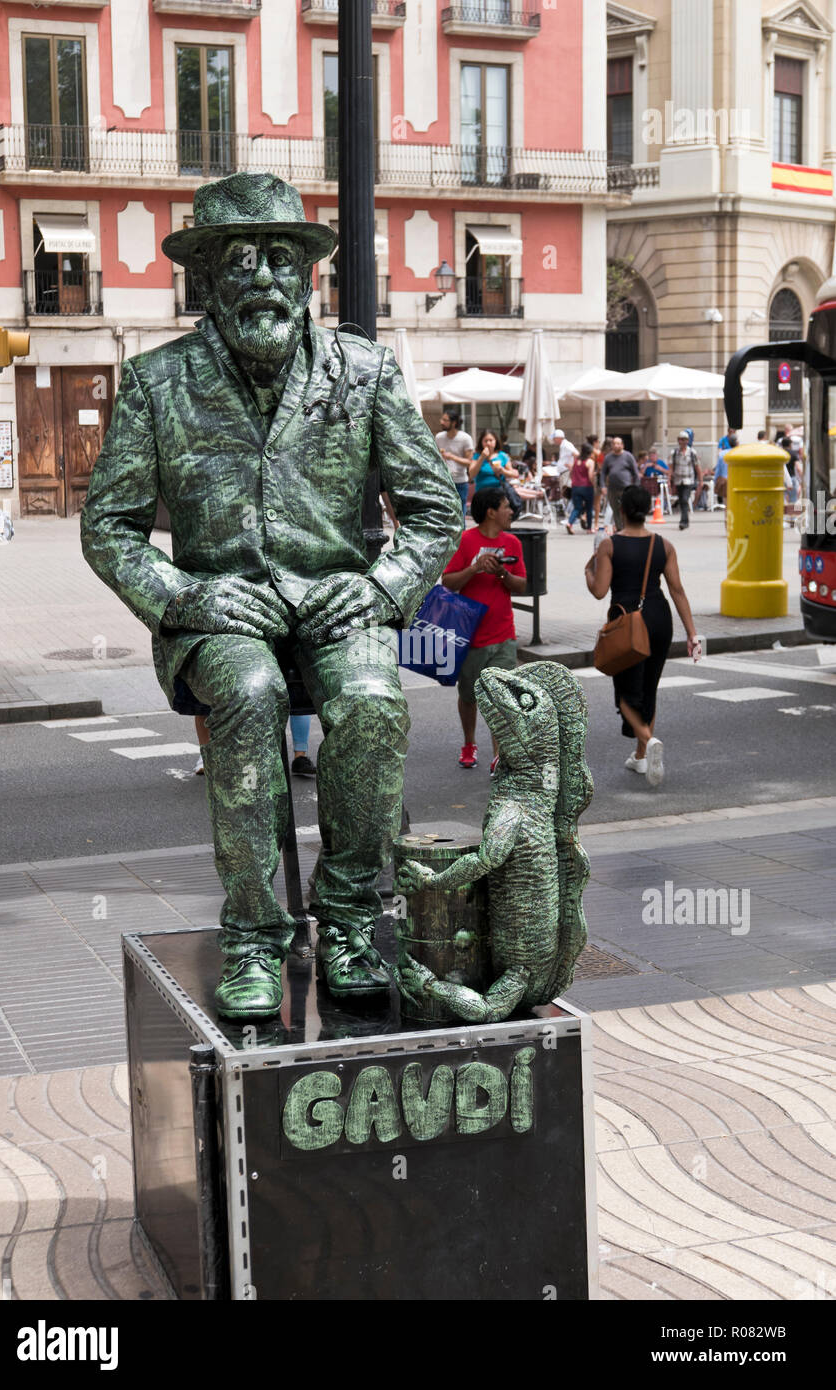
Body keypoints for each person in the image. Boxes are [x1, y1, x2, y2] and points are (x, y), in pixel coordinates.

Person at [81, 172, 461, 1020]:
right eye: (240, 259)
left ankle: (354, 918)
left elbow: (436, 510)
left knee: (370, 703)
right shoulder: (156, 382)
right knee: (250, 696)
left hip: (338, 601)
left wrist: (381, 586)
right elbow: (108, 526)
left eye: (282, 258)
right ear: (207, 279)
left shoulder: (362, 372)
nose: (263, 276)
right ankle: (254, 933)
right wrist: (184, 597)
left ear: (309, 276)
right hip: (220, 610)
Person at [584, 484, 701, 787]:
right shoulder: (664, 545)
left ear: (621, 510)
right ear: (648, 510)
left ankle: (648, 742)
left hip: (626, 621)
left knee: (625, 693)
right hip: (659, 619)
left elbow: (599, 591)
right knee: (649, 687)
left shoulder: (609, 545)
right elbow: (677, 590)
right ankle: (639, 756)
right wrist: (692, 633)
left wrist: (588, 571)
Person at [442, 487, 527, 774]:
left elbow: (522, 585)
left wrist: (503, 573)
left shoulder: (513, 542)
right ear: (491, 511)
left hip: (504, 633)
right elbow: (449, 582)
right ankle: (469, 743)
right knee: (468, 695)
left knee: (502, 698)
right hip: (470, 635)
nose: (511, 511)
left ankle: (498, 755)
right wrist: (475, 568)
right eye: (506, 507)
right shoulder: (465, 541)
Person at [435, 409, 474, 517]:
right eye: (442, 419)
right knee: (444, 515)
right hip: (443, 482)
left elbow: (469, 462)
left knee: (460, 515)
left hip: (460, 482)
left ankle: (462, 534)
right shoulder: (439, 437)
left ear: (454, 423)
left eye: (445, 420)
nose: (441, 422)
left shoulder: (465, 438)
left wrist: (452, 457)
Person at [601, 436, 640, 530]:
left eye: (618, 443)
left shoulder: (628, 456)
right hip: (612, 488)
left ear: (622, 445)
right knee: (615, 509)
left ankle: (627, 527)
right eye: (614, 444)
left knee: (626, 509)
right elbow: (603, 473)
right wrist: (602, 486)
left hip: (626, 488)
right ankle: (619, 528)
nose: (616, 445)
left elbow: (635, 473)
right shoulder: (608, 457)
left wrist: (636, 487)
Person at [668, 430, 700, 530]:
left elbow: (697, 467)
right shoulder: (674, 453)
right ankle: (685, 520)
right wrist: (669, 480)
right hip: (678, 480)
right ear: (678, 440)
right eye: (681, 439)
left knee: (685, 499)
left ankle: (684, 522)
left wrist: (701, 480)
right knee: (682, 500)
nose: (683, 442)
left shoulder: (692, 452)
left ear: (688, 441)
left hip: (688, 480)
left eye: (685, 440)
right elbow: (671, 467)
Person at [566, 441, 596, 533]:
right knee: (589, 508)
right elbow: (590, 476)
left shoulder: (576, 461)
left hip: (575, 487)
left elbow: (571, 473)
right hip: (587, 487)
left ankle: (569, 523)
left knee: (577, 508)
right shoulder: (590, 461)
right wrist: (593, 484)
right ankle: (589, 529)